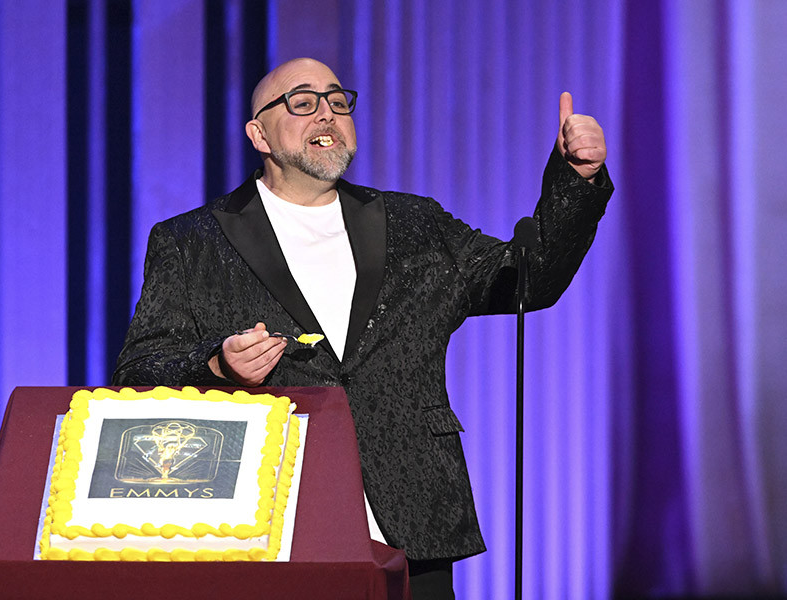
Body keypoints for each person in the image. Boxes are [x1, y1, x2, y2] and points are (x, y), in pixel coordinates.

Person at [113, 57, 612, 598]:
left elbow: (527, 281)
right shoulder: (192, 241)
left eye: (338, 100)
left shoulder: (414, 225)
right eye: (302, 103)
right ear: (259, 133)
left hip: (413, 520)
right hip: (273, 529)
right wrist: (216, 364)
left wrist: (575, 181)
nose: (326, 113)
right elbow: (140, 369)